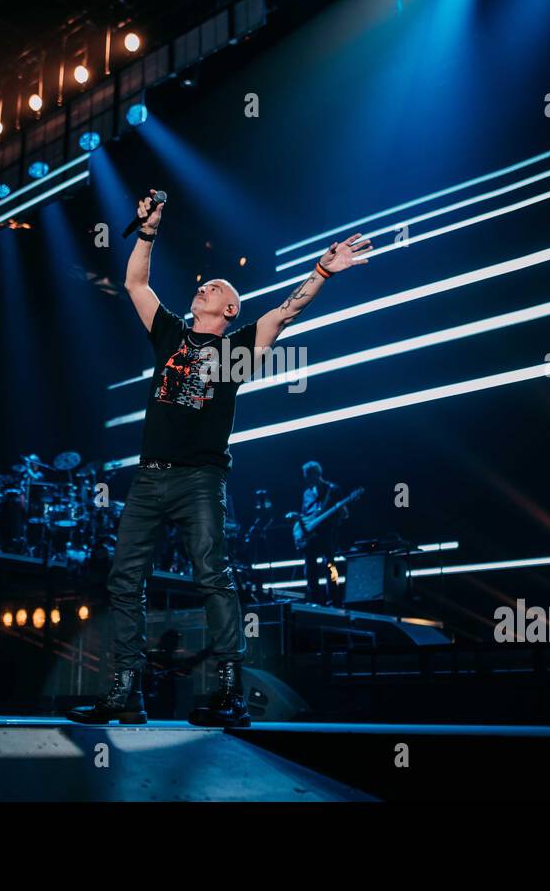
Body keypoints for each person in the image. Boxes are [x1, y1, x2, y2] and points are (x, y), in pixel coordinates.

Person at [67, 190, 372, 727]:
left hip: (200, 479)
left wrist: (324, 270)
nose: (202, 286)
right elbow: (137, 282)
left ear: (229, 309)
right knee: (124, 579)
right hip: (148, 480)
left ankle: (229, 691)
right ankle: (125, 691)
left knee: (213, 576)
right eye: (203, 284)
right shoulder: (169, 335)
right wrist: (148, 231)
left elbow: (288, 310)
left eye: (215, 288)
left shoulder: (239, 349)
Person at [298, 461, 347, 606]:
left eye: (308, 475)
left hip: (327, 534)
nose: (306, 479)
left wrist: (336, 515)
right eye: (305, 476)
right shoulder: (306, 493)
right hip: (311, 536)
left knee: (330, 565)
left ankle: (334, 597)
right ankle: (315, 599)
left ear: (317, 474)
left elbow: (343, 513)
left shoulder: (332, 489)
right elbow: (305, 514)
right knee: (310, 568)